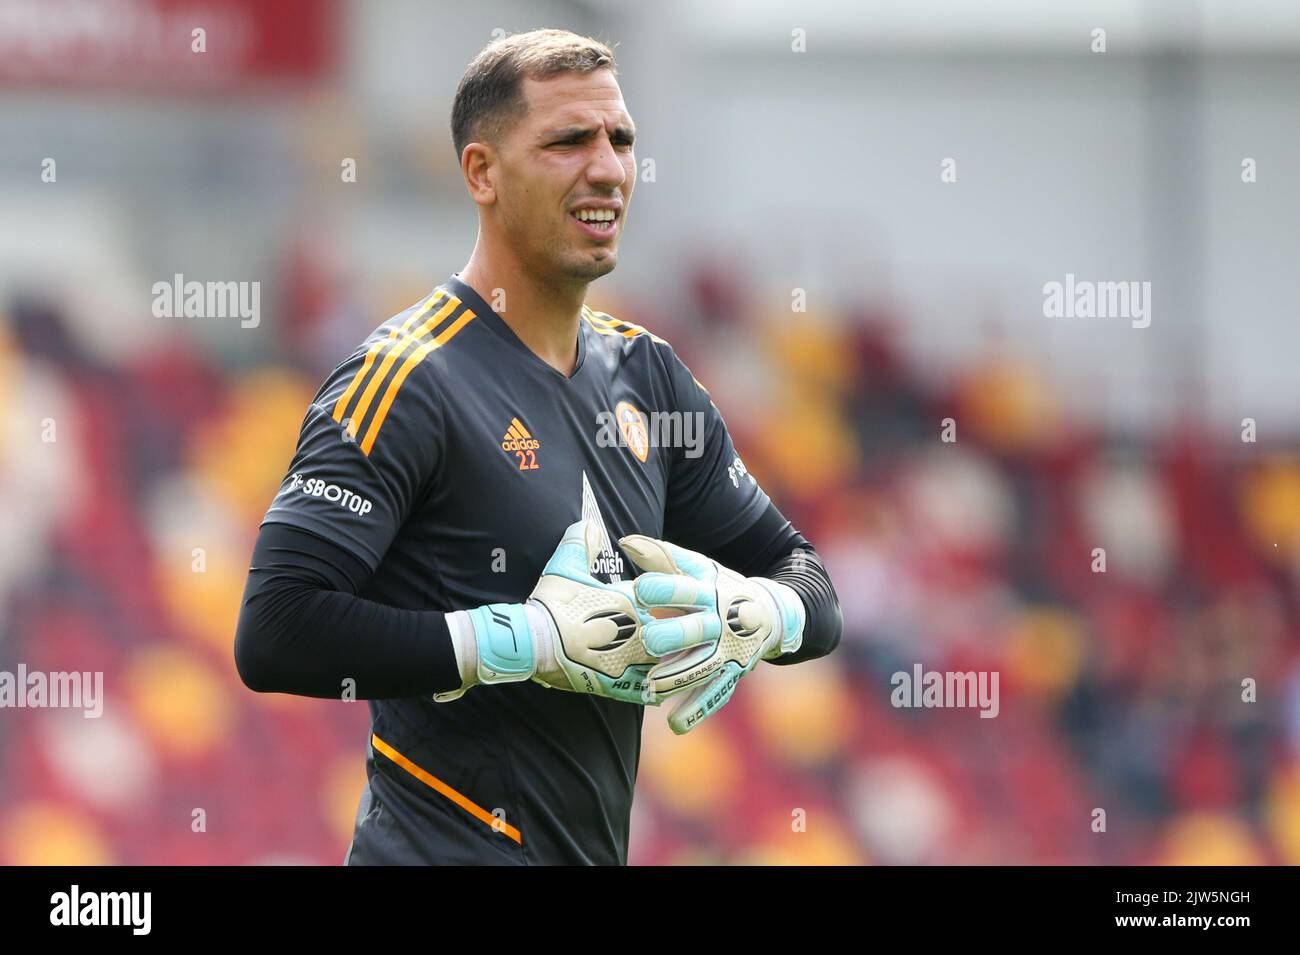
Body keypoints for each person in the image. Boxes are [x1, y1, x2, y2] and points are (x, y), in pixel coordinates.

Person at [234, 28, 841, 865]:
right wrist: (522, 641)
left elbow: (806, 577)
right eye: (568, 141)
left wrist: (756, 615)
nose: (607, 168)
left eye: (620, 140)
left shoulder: (650, 378)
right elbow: (277, 629)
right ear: (481, 172)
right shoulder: (407, 379)